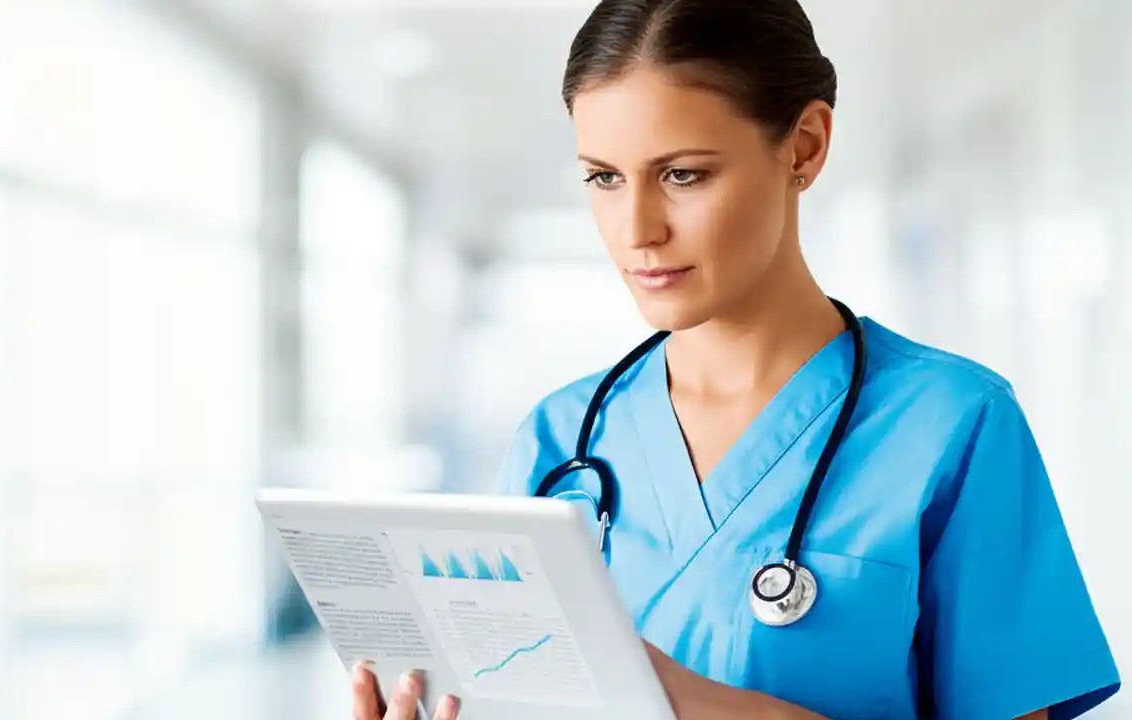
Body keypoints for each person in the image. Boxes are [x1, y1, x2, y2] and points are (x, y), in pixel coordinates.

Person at [350, 1, 1121, 718]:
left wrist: (689, 700)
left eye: (683, 175)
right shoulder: (560, 441)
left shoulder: (951, 425)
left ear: (805, 148)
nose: (637, 229)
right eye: (604, 178)